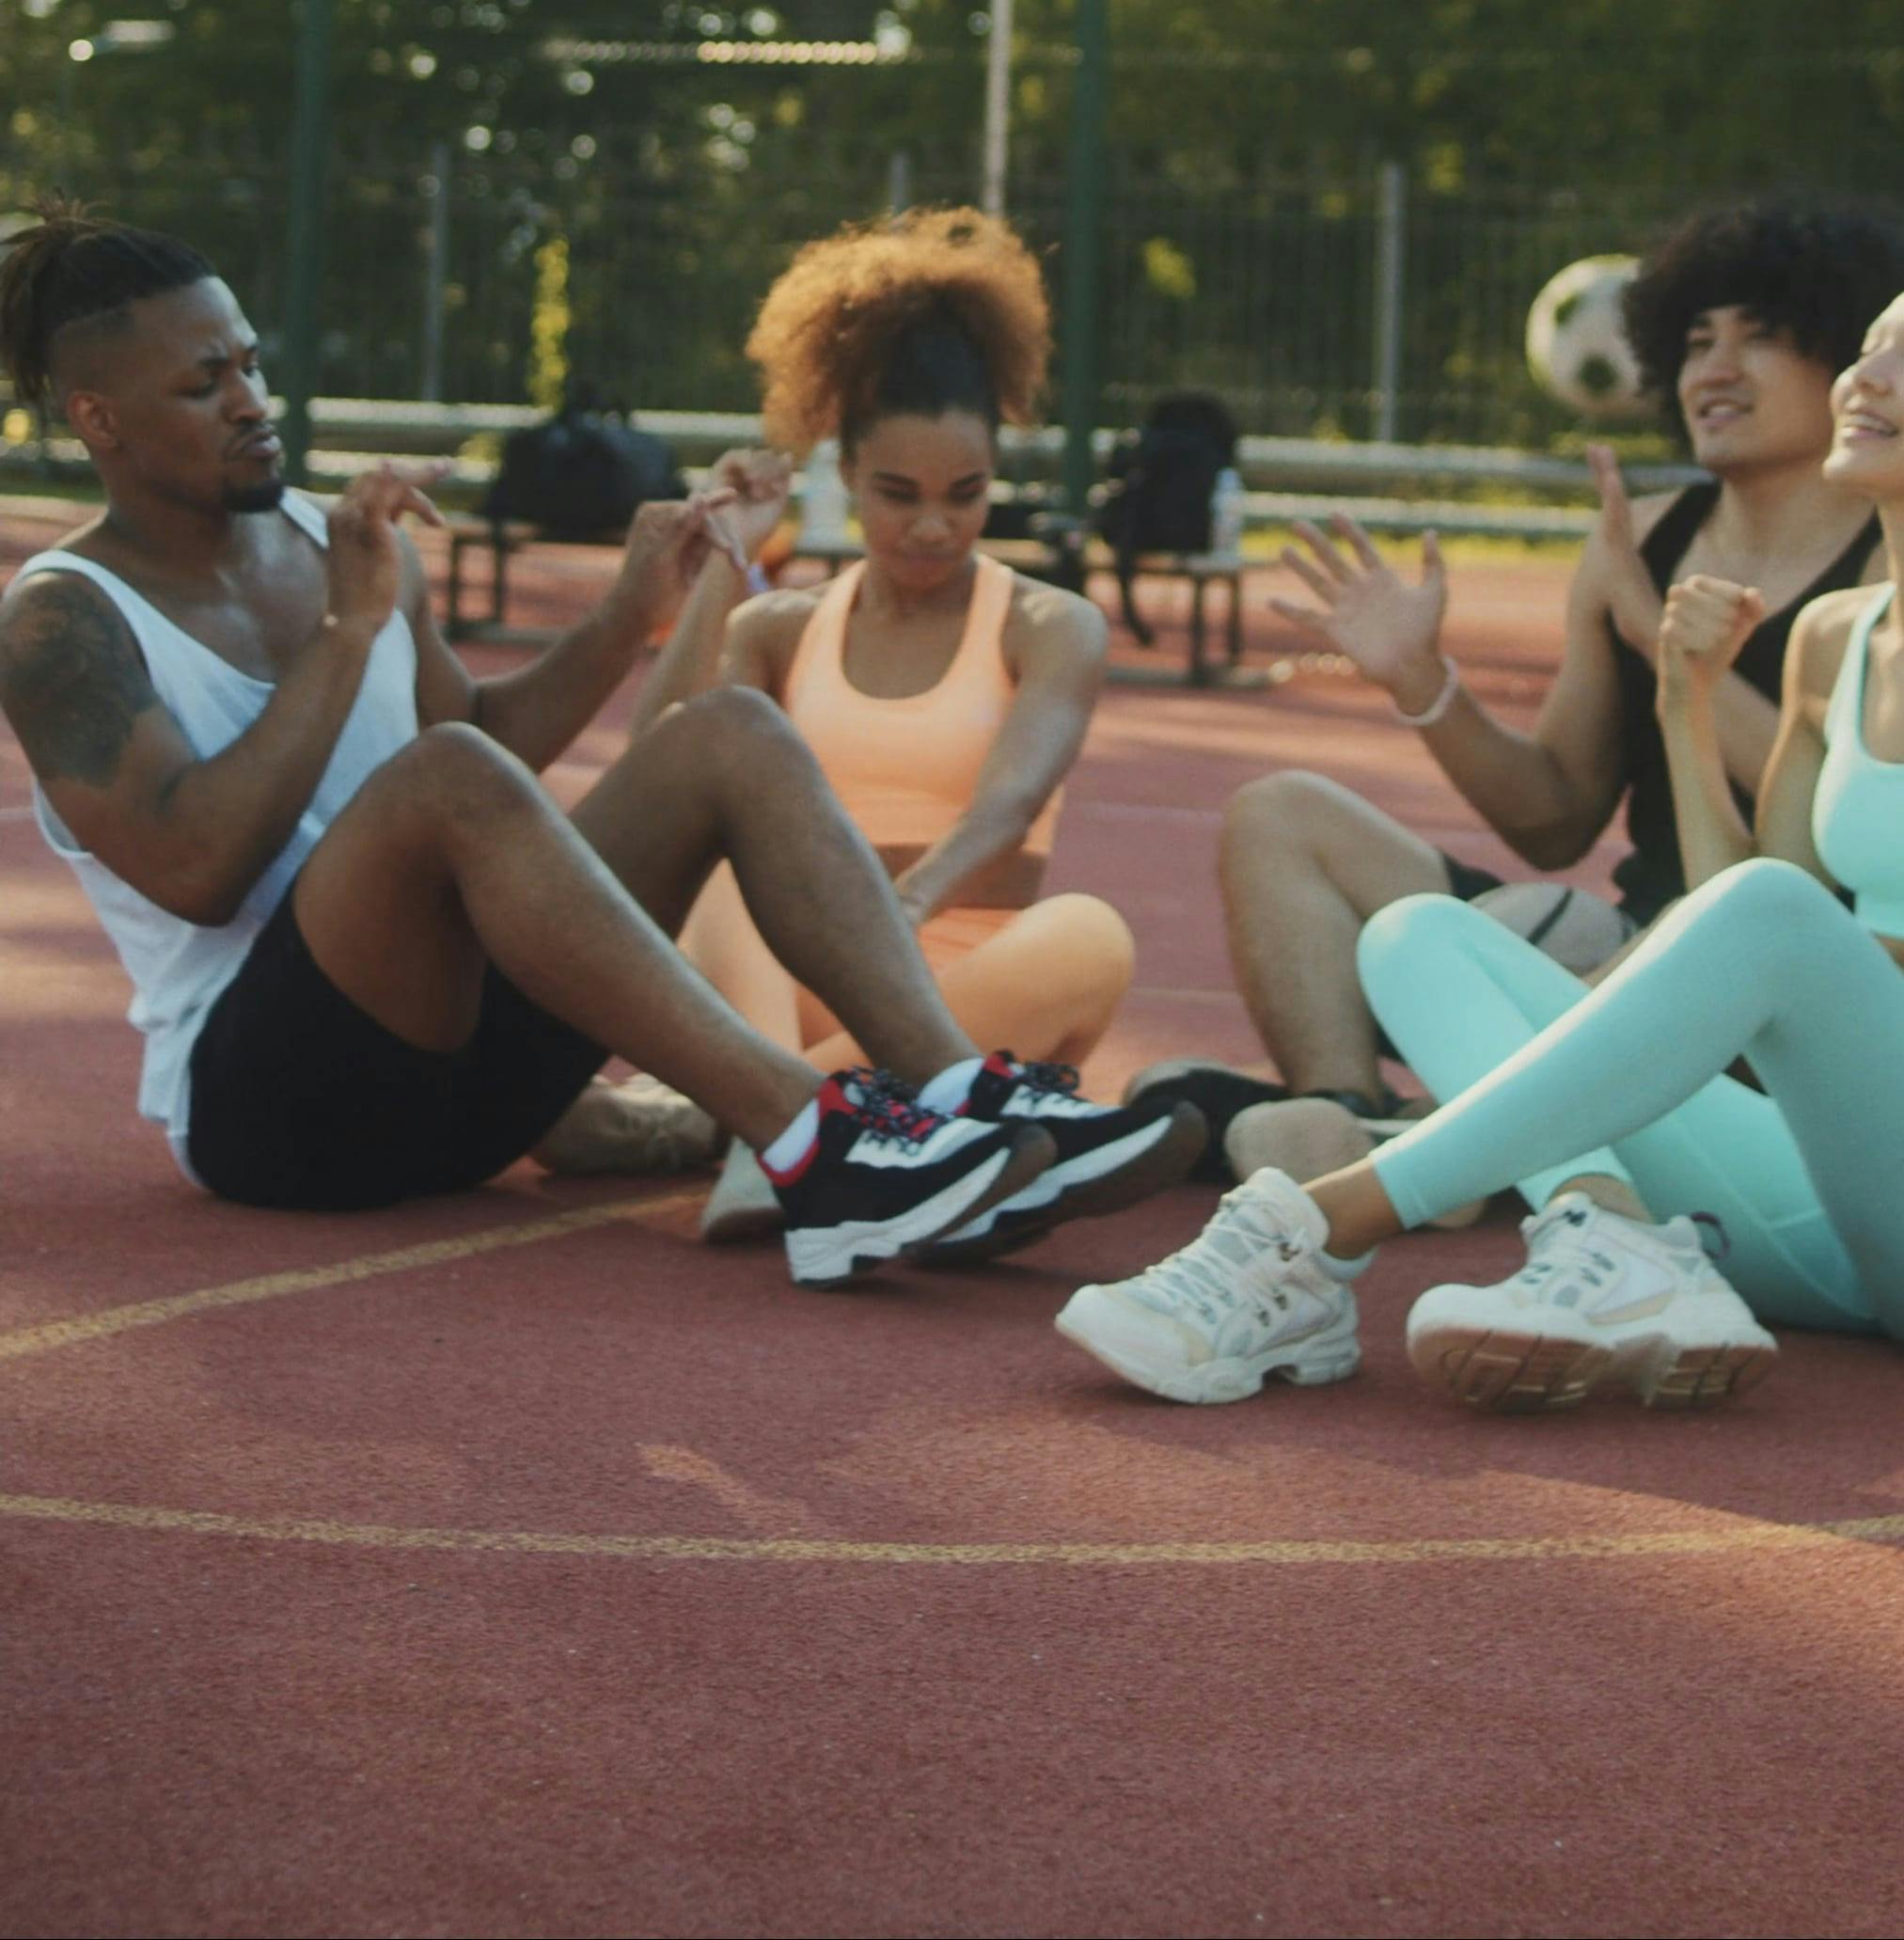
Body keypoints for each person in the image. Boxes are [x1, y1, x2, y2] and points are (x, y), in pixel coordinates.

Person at [0, 205, 1195, 1286]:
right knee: (451, 783)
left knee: (727, 729)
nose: (253, 401)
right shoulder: (65, 622)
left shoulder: (336, 543)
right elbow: (197, 867)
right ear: (98, 417)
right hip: (285, 1119)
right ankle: (818, 1140)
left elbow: (474, 740)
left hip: (473, 1093)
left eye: (251, 362)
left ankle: (957, 1101)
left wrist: (630, 616)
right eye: (204, 384)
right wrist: (346, 632)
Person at [1057, 276, 1904, 1414]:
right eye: (1872, 349)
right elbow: (1749, 922)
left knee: (1772, 915)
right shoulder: (1838, 642)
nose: (1873, 381)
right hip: (1834, 1214)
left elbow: (1785, 936)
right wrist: (1684, 700)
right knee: (1418, 936)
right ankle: (1618, 1243)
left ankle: (1320, 1226)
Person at [1129, 197, 1902, 1176]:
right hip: (1620, 938)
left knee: (1680, 933)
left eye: (1760, 340)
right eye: (1697, 340)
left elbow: (1836, 821)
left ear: (1842, 360)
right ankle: (1344, 1114)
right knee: (1278, 816)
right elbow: (1554, 819)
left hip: (1774, 970)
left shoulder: (1884, 561)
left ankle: (1436, 1143)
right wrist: (1423, 682)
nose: (1714, 369)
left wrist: (1658, 646)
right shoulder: (1643, 536)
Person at [666, 206, 1198, 1254]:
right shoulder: (779, 626)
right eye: (897, 494)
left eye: (966, 495)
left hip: (958, 991)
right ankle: (810, 1118)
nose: (932, 526)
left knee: (1092, 934)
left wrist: (897, 913)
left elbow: (1008, 807)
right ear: (846, 477)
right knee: (723, 857)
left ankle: (768, 1125)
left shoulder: (1052, 626)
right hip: (784, 983)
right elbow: (666, 769)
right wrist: (723, 564)